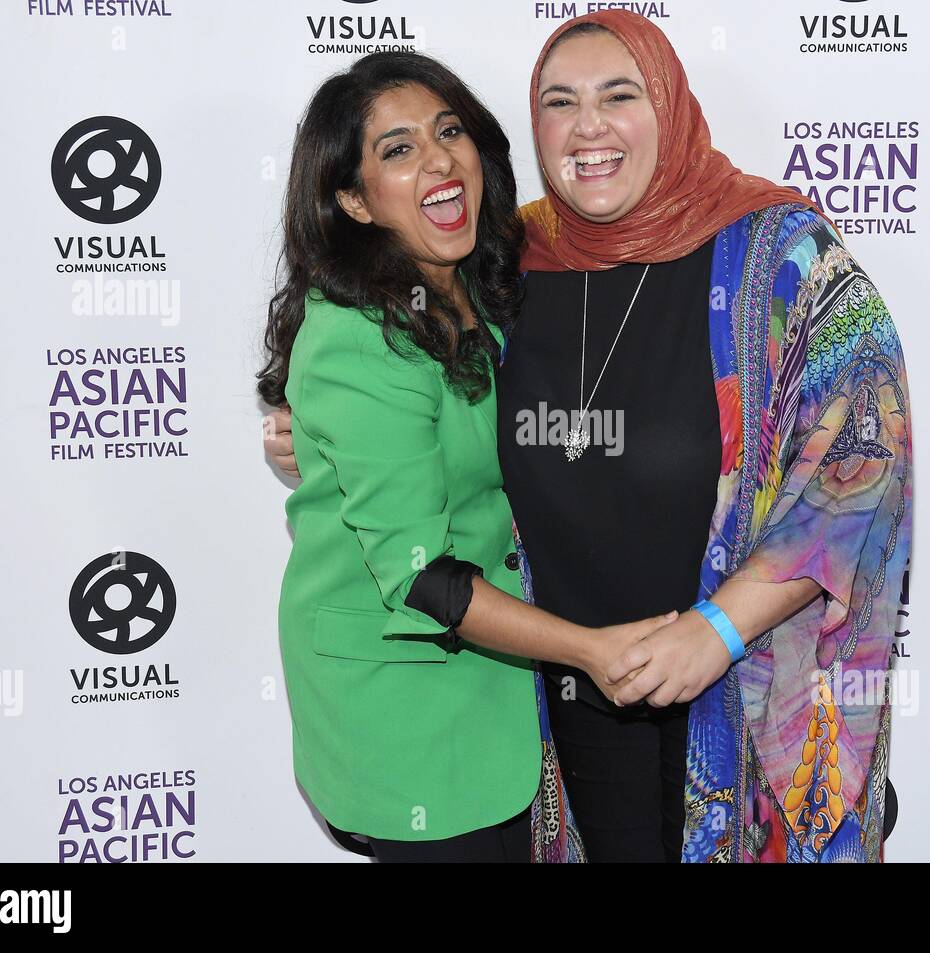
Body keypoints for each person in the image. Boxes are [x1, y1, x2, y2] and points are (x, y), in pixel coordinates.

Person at [268, 10, 914, 863]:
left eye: (620, 95)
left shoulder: (783, 255)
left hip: (735, 683)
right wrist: (313, 432)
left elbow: (861, 463)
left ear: (672, 107)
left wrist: (714, 631)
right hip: (562, 704)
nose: (589, 126)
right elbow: (394, 353)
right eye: (560, 102)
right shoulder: (517, 256)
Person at [259, 50, 672, 863]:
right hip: (404, 701)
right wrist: (593, 649)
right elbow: (421, 577)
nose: (439, 159)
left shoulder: (478, 277)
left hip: (498, 675)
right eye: (397, 149)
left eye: (448, 131)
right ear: (353, 199)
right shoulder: (358, 339)